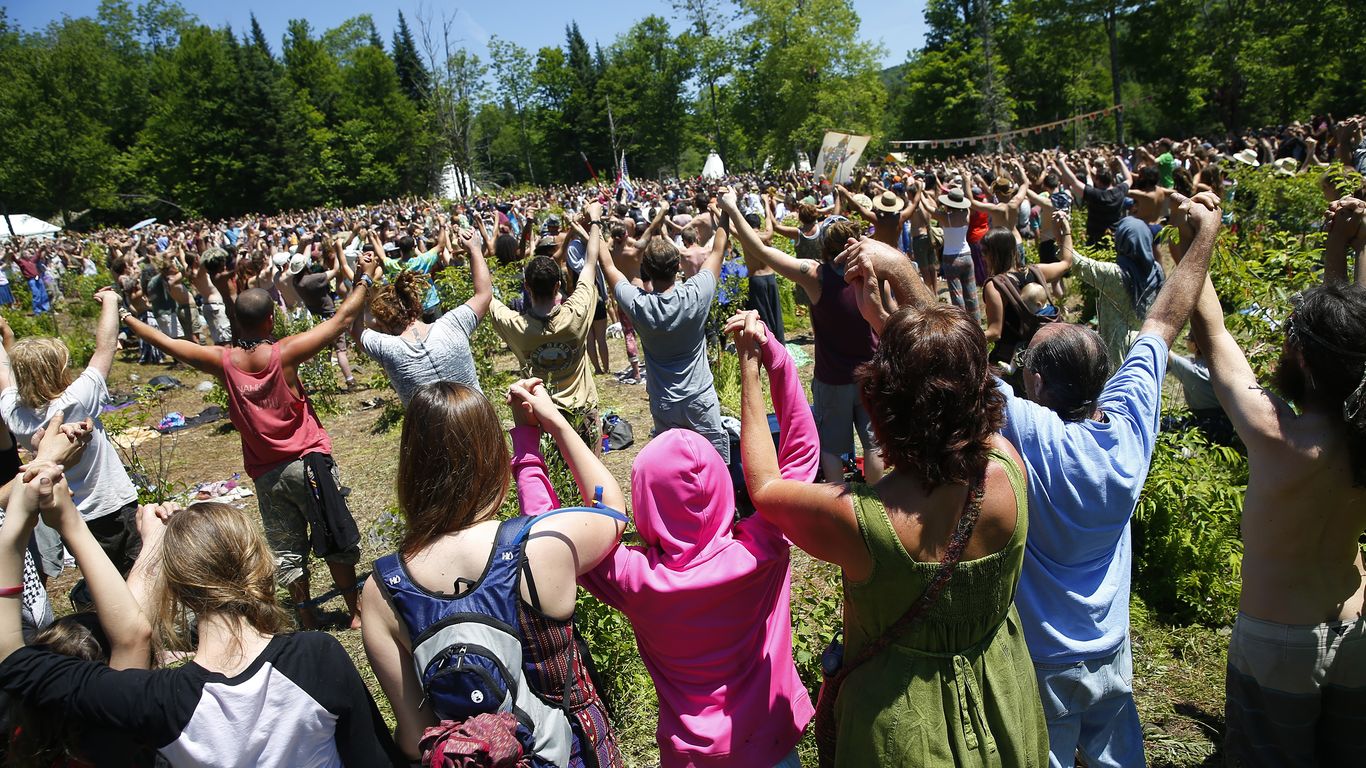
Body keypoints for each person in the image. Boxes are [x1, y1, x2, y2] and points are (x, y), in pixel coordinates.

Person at [739, 235, 1047, 766]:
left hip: (903, 731)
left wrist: (750, 366)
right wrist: (900, 274)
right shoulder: (1007, 467)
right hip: (1003, 698)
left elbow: (764, 489)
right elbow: (958, 371)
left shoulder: (862, 522)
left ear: (880, 405)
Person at [514, 309, 816, 768]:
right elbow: (800, 454)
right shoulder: (763, 547)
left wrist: (539, 434)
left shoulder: (635, 578)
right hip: (773, 741)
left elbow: (550, 538)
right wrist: (767, 358)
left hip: (693, 755)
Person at [1000, 191, 1224, 768]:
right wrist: (1203, 236)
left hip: (1044, 658)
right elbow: (1164, 318)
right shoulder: (1126, 428)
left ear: (1040, 386)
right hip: (1113, 649)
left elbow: (955, 363)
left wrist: (896, 278)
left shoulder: (1032, 433)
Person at [0, 487, 400, 767]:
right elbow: (375, 759)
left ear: (175, 590)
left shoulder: (155, 702)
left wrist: (23, 522)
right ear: (260, 566)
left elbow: (13, 658)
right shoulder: (317, 656)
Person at [361, 380, 624, 767]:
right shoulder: (540, 544)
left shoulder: (380, 590)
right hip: (569, 754)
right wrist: (550, 426)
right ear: (491, 457)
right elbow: (612, 510)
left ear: (411, 465)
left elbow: (414, 733)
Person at [118, 255, 382, 630]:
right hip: (308, 461)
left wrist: (126, 318)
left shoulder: (221, 362)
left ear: (236, 321)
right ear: (270, 320)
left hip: (267, 473)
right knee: (334, 533)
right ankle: (355, 613)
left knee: (286, 546)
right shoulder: (286, 353)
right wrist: (364, 278)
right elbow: (340, 319)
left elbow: (168, 342)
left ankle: (305, 615)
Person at [1203, 196, 1366, 767]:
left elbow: (1216, 334)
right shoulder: (1360, 436)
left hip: (1278, 642)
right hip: (1355, 626)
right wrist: (1347, 248)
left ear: (1305, 359)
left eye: (1292, 339)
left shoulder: (1277, 434)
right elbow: (1353, 342)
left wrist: (1197, 239)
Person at [722, 190, 882, 483]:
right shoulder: (868, 270)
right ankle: (880, 503)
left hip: (833, 379)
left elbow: (761, 250)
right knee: (873, 446)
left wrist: (732, 209)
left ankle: (837, 508)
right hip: (869, 373)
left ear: (824, 245)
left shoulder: (816, 276)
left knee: (832, 450)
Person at [0, 291, 141, 585]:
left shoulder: (16, 414)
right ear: (59, 367)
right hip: (113, 506)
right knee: (139, 574)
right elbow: (105, 348)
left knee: (102, 578)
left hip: (72, 516)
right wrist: (112, 302)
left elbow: (4, 373)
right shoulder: (75, 401)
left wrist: (5, 336)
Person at [601, 199, 732, 462]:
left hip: (664, 403)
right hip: (700, 398)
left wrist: (595, 224)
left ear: (646, 270)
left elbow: (608, 267)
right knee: (714, 467)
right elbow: (718, 251)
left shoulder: (639, 304)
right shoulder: (696, 293)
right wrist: (726, 211)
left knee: (677, 468)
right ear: (677, 267)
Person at [488, 204, 605, 453]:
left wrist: (474, 251)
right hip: (583, 415)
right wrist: (594, 222)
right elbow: (590, 262)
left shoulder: (517, 327)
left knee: (553, 487)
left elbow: (484, 294)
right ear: (558, 286)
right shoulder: (576, 313)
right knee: (592, 484)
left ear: (527, 288)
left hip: (544, 419)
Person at [356, 227, 491, 404]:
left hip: (429, 432)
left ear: (382, 322)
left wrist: (362, 277)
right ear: (416, 304)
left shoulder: (387, 349)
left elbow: (354, 327)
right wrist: (474, 248)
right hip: (479, 422)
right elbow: (484, 294)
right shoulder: (453, 324)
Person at [982, 216, 1075, 382]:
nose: (982, 257)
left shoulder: (995, 286)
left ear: (993, 254)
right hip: (1044, 351)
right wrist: (1065, 230)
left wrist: (966, 335)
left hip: (1011, 359)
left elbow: (994, 333)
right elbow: (1067, 262)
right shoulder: (1037, 271)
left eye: (984, 252)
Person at [1072, 216, 1165, 369]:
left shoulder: (1115, 275)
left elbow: (1076, 263)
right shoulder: (1156, 270)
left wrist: (1064, 232)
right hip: (1147, 343)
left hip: (1118, 349)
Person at [1056, 152, 1130, 247]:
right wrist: (1120, 161)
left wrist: (1062, 163)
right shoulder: (1119, 191)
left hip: (1094, 241)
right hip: (1115, 237)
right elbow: (1129, 179)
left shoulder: (1094, 194)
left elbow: (1073, 181)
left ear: (1097, 180)